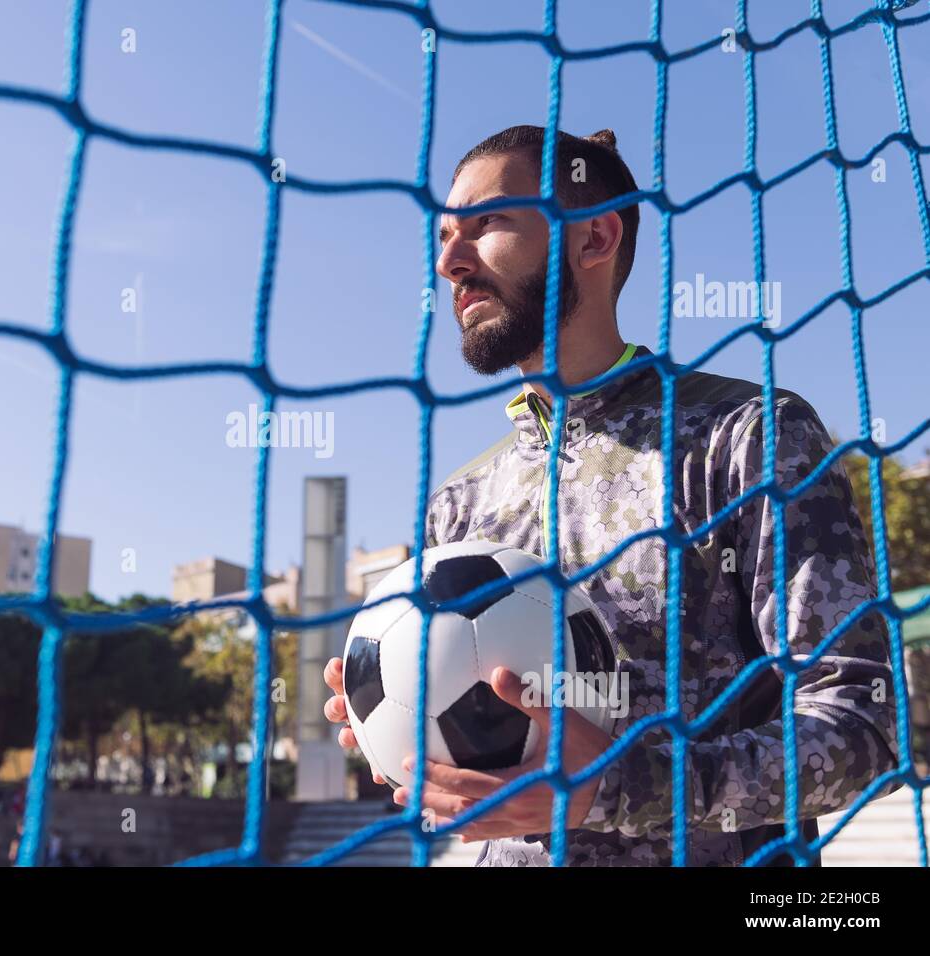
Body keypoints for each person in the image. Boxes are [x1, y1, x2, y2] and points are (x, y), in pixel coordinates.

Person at [323, 125, 901, 866]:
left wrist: (617, 787)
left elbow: (865, 727)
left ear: (593, 238)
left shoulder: (748, 437)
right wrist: (395, 724)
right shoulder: (459, 503)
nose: (448, 263)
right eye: (442, 237)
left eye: (486, 224)